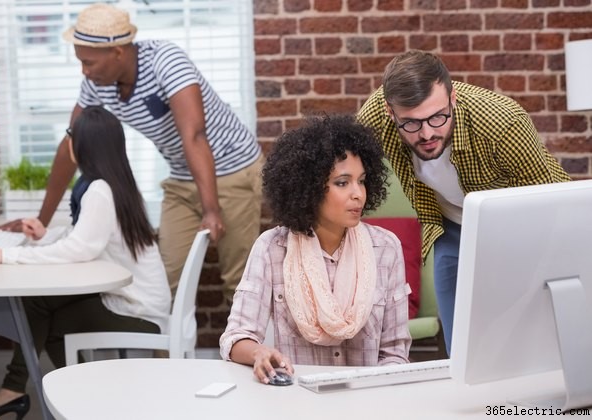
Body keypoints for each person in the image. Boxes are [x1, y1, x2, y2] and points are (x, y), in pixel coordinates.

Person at [0, 2, 264, 302]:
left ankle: (250, 350)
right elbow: (72, 144)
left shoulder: (165, 60)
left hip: (233, 170)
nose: (84, 71)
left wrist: (211, 209)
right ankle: (166, 349)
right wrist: (41, 221)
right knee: (166, 284)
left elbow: (194, 135)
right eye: (80, 62)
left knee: (238, 284)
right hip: (181, 177)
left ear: (118, 52)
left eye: (89, 62)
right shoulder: (98, 84)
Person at [357, 50, 571, 355]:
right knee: (462, 348)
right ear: (391, 114)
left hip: (525, 226)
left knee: (533, 339)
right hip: (452, 227)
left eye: (437, 117)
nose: (427, 133)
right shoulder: (374, 119)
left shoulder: (503, 123)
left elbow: (548, 202)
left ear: (453, 97)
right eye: (412, 124)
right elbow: (349, 177)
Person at [0, 106, 171, 420]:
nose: (67, 140)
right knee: (40, 311)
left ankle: (59, 397)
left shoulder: (99, 190)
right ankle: (75, 397)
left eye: (70, 134)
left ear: (84, 144)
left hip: (137, 311)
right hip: (139, 302)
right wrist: (45, 235)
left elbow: (79, 249)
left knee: (37, 313)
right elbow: (85, 236)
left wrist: (7, 255)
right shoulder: (112, 183)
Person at [219, 114, 411, 384]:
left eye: (362, 180)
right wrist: (259, 352)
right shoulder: (272, 249)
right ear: (308, 187)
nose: (358, 193)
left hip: (367, 401)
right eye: (342, 183)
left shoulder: (386, 248)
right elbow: (236, 337)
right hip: (298, 401)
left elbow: (395, 353)